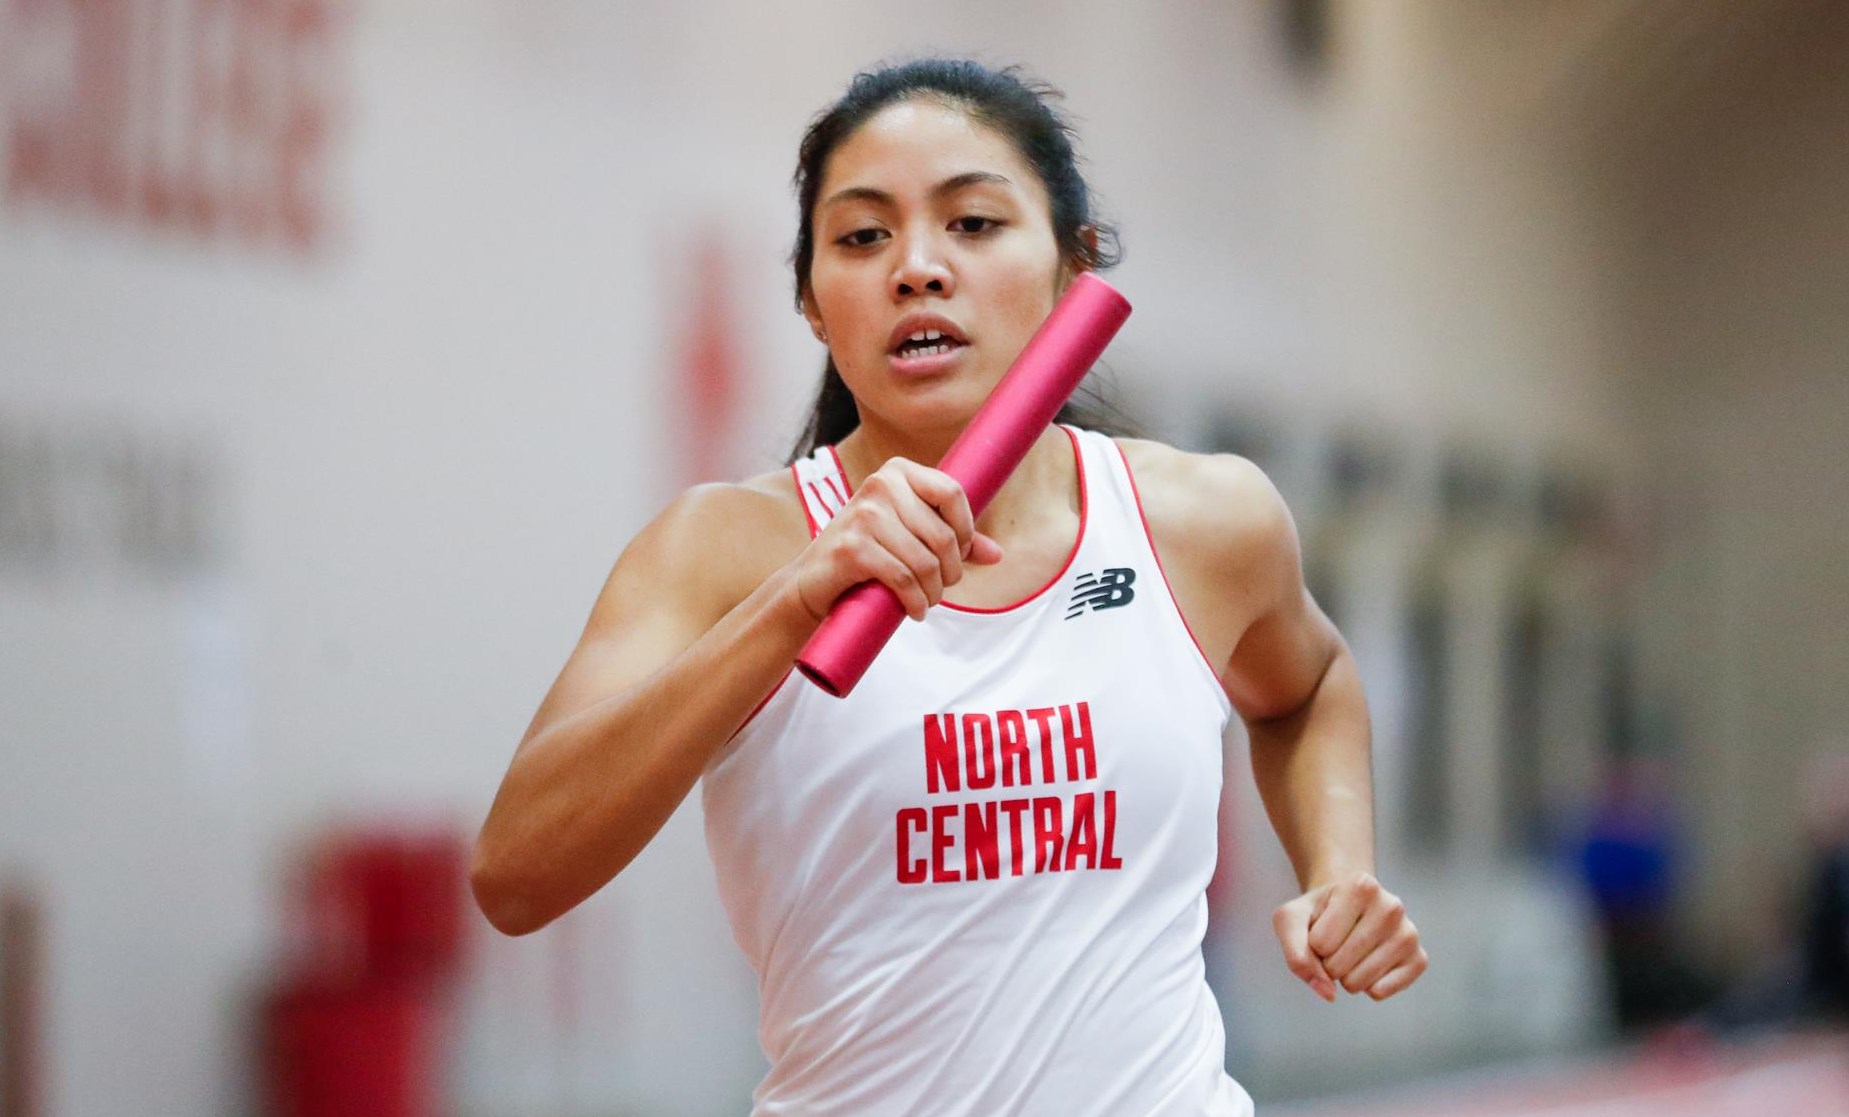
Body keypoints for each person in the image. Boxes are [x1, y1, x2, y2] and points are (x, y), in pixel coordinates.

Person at [470, 57, 1426, 1115]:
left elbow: (1306, 684)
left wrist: (1337, 866)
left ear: (1072, 265)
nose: (917, 267)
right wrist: (792, 604)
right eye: (862, 236)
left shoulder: (1201, 520)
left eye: (972, 224)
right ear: (810, 301)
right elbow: (516, 876)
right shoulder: (718, 548)